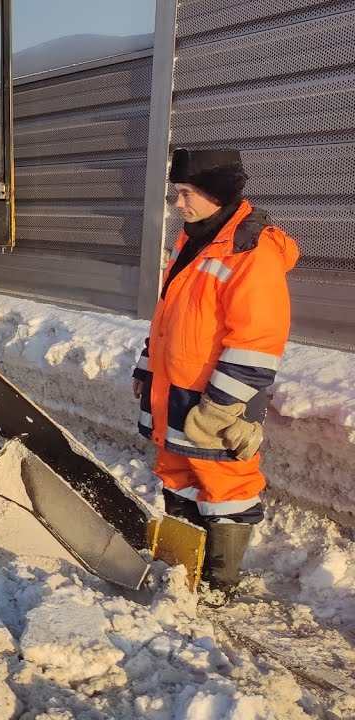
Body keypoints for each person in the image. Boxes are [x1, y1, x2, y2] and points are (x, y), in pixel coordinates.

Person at [133, 148, 299, 598]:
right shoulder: (194, 239)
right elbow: (169, 315)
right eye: (176, 193)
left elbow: (257, 341)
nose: (178, 204)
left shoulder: (252, 252)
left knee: (227, 484)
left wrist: (223, 407)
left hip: (216, 398)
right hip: (176, 388)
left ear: (216, 195)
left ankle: (216, 582)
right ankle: (181, 565)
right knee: (178, 473)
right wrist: (147, 369)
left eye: (186, 193)